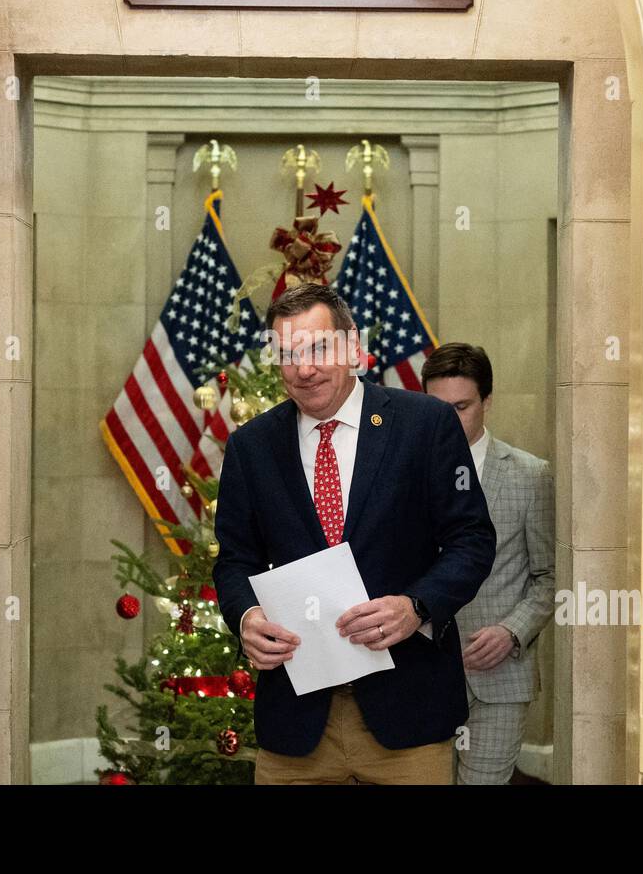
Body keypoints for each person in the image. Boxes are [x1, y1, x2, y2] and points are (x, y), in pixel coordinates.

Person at [212, 284, 496, 784]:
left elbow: (471, 538)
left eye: (319, 348)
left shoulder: (424, 424)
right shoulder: (250, 448)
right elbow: (235, 561)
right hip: (296, 721)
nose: (305, 368)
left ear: (351, 348)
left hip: (407, 714)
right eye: (290, 354)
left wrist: (417, 606)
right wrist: (247, 617)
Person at [421, 342, 555, 784]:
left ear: (487, 403)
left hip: (498, 677)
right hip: (419, 673)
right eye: (437, 407)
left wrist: (512, 631)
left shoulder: (530, 475)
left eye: (461, 407)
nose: (448, 419)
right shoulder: (402, 474)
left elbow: (549, 576)